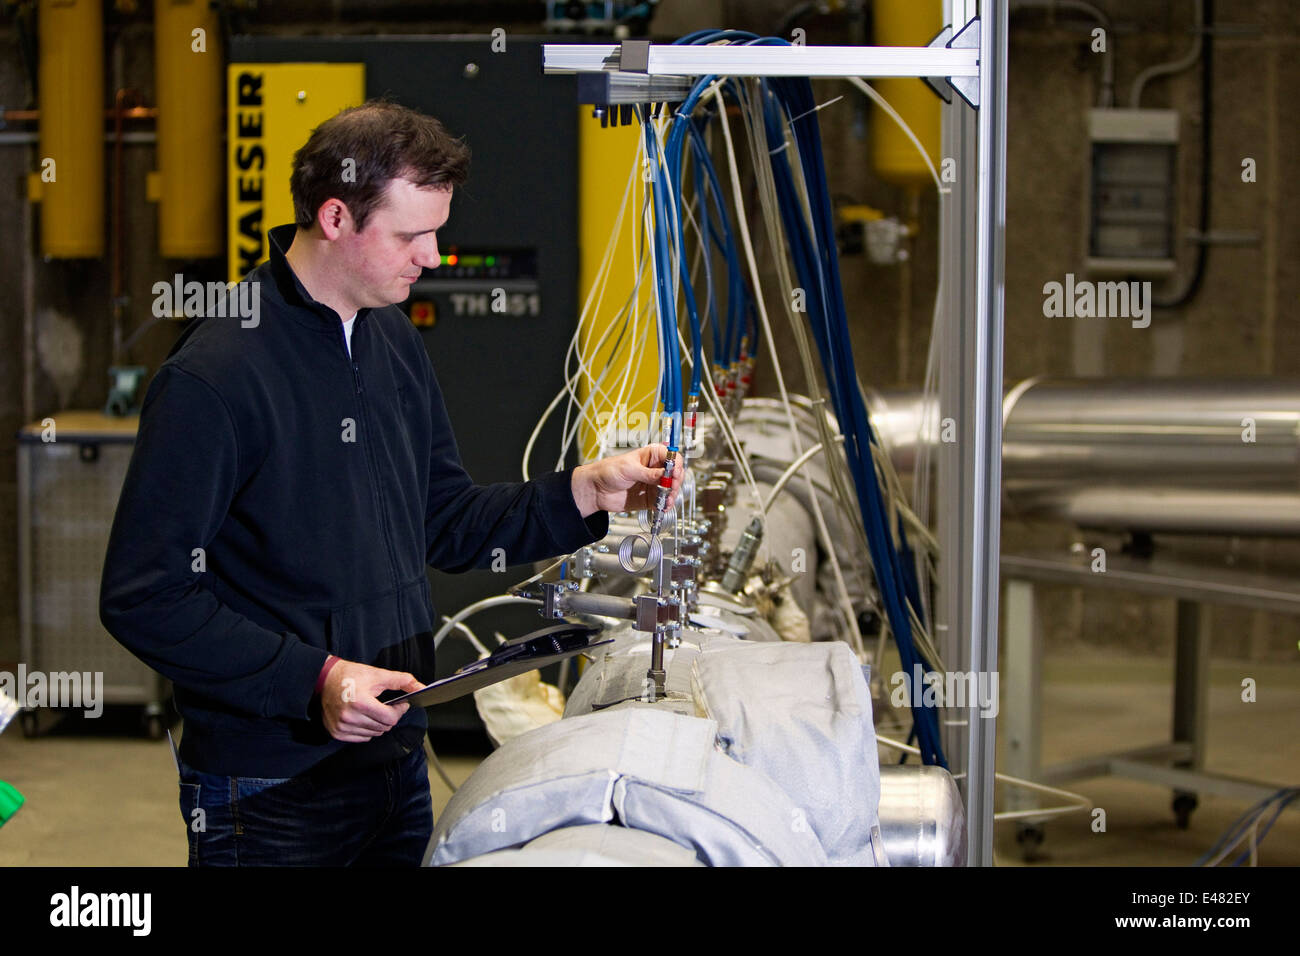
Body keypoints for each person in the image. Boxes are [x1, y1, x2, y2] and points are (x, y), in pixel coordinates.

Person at [99, 100, 679, 867]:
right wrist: (318, 680)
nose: (434, 257)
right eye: (412, 235)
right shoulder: (216, 376)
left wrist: (582, 494)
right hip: (269, 790)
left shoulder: (388, 337)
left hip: (394, 762)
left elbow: (442, 519)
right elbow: (145, 596)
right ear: (335, 216)